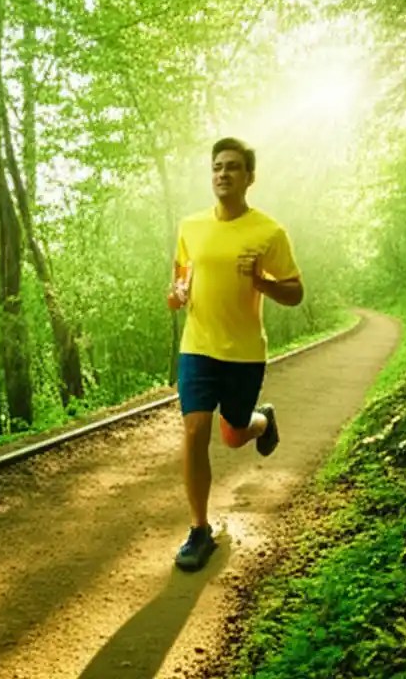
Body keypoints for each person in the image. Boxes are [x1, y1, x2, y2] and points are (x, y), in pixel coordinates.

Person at [166, 137, 305, 572]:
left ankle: (262, 420)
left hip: (244, 351)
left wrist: (261, 281)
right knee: (194, 430)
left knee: (233, 432)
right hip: (198, 346)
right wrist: (175, 295)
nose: (222, 173)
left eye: (232, 167)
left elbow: (296, 293)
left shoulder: (269, 232)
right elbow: (178, 285)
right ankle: (200, 530)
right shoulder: (190, 226)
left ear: (249, 177)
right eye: (216, 167)